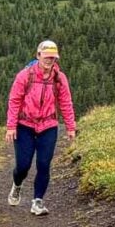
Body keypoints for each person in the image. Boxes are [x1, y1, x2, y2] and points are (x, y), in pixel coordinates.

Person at [5, 39, 77, 216]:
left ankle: (37, 201)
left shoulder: (59, 78)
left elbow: (66, 102)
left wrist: (70, 127)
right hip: (25, 125)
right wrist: (11, 126)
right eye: (46, 56)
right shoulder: (25, 75)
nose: (49, 60)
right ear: (38, 56)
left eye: (52, 57)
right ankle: (17, 184)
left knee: (44, 164)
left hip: (48, 125)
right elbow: (14, 100)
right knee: (23, 165)